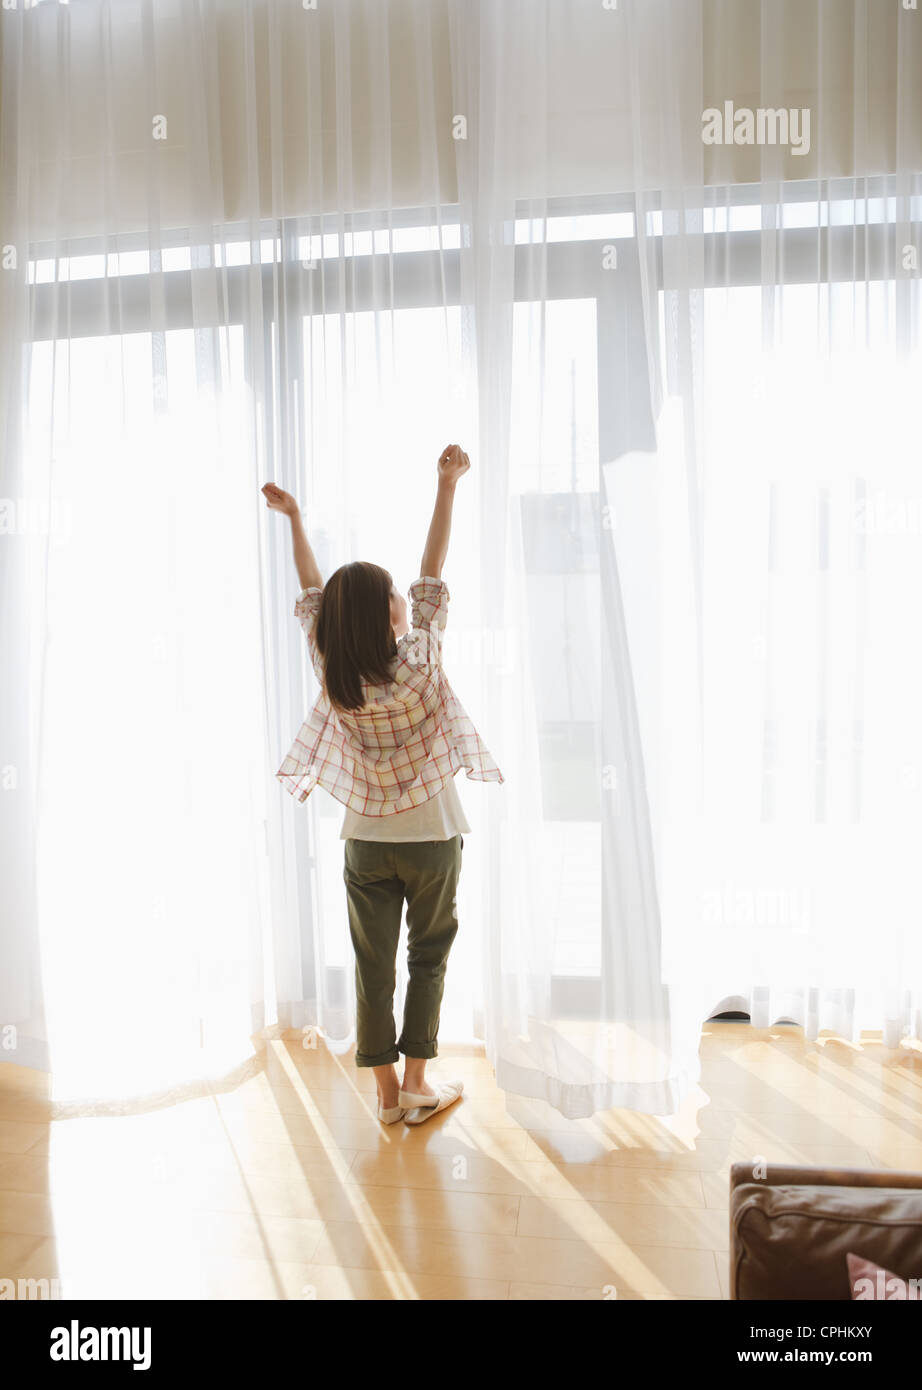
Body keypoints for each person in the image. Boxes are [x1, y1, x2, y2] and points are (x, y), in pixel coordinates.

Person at [262, 445, 503, 1125]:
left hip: (365, 845)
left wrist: (295, 521)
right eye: (397, 595)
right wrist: (447, 484)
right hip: (431, 839)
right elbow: (434, 569)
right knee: (428, 957)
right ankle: (421, 1082)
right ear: (393, 614)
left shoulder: (330, 668)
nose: (408, 597)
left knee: (374, 968)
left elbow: (315, 594)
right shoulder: (421, 661)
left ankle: (389, 1098)